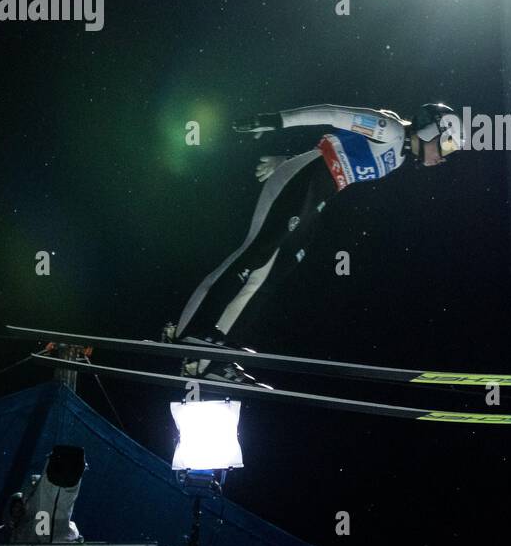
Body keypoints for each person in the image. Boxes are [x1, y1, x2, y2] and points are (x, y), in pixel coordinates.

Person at [164, 103, 462, 380]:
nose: (443, 157)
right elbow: (331, 113)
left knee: (268, 275)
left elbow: (335, 144)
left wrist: (290, 158)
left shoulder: (398, 158)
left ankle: (210, 359)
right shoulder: (391, 130)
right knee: (254, 254)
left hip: (316, 194)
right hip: (302, 182)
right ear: (428, 131)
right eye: (446, 145)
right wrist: (274, 122)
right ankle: (188, 331)